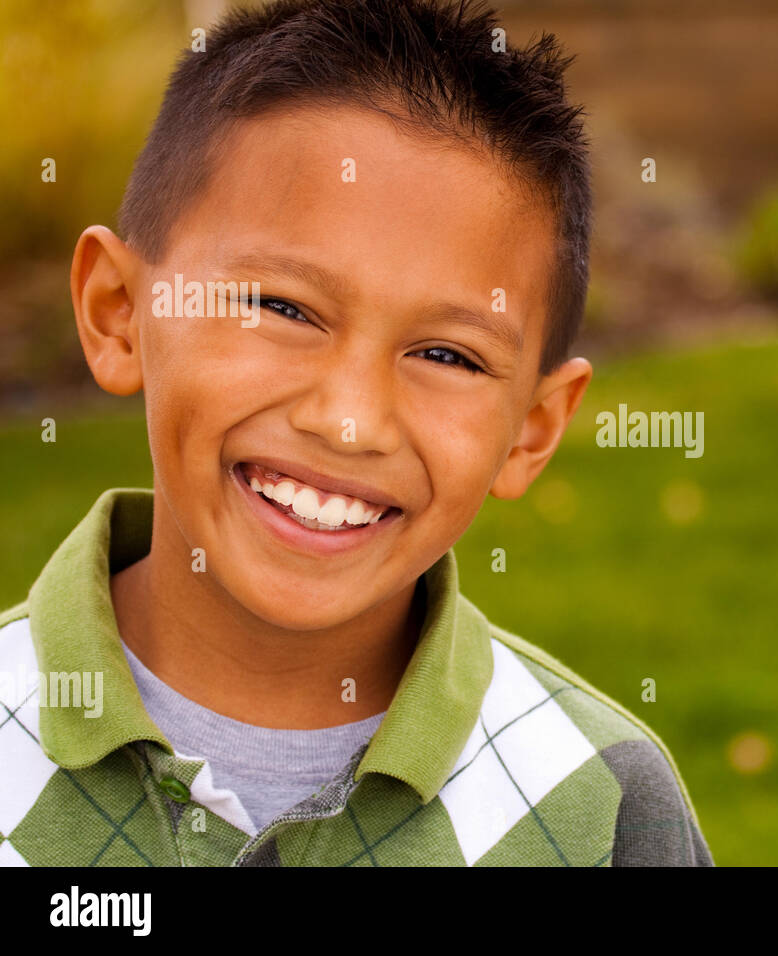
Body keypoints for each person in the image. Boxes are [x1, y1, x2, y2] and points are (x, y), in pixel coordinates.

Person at [0, 0, 712, 867]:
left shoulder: (603, 801)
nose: (350, 419)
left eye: (447, 354)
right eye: (282, 307)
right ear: (119, 314)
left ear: (530, 431)